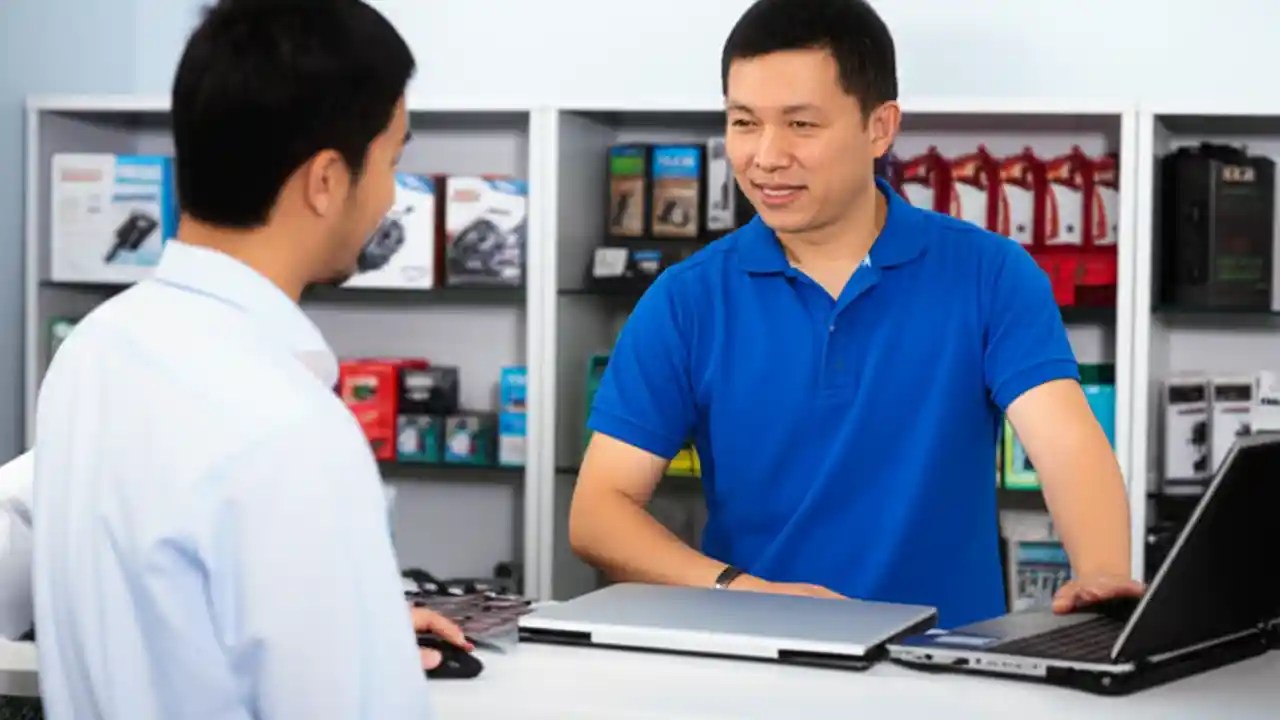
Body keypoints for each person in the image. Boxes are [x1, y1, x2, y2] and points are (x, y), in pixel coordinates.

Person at [568, 0, 1143, 629]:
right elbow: (600, 511)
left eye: (801, 125)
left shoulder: (989, 273)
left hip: (947, 667)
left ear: (880, 127)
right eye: (743, 122)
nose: (765, 156)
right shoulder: (685, 301)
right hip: (756, 658)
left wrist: (1103, 576)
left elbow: (1065, 446)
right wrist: (741, 589)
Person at [31, 1, 466, 717]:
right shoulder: (291, 430)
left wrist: (352, 622)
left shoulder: (92, 352)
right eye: (393, 160)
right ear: (325, 181)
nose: (392, 195)